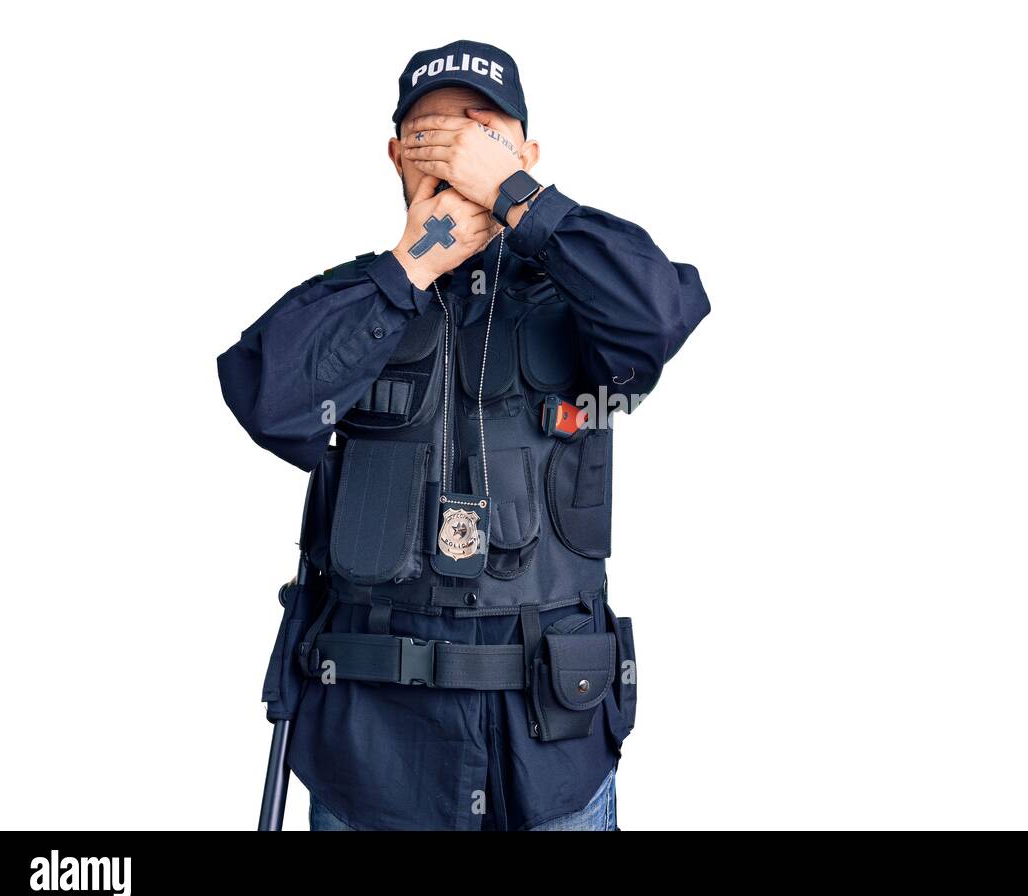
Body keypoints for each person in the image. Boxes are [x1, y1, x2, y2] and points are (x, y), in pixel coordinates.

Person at [218, 39, 709, 830]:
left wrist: (520, 200)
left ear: (527, 153)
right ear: (394, 158)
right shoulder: (355, 303)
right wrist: (410, 265)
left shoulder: (580, 298)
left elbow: (661, 315)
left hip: (548, 749)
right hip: (374, 756)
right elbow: (267, 398)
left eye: (481, 135)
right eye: (432, 135)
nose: (456, 153)